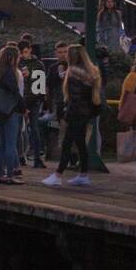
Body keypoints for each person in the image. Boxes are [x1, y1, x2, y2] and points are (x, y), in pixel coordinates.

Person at [43, 44, 102, 187]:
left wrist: (66, 114)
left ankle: (58, 175)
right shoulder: (92, 71)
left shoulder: (73, 73)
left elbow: (74, 97)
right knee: (81, 143)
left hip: (75, 112)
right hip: (87, 112)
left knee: (67, 143)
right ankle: (83, 174)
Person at [0, 46, 25, 184]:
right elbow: (15, 92)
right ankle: (10, 175)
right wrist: (24, 108)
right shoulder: (9, 72)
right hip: (10, 111)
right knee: (10, 143)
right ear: (14, 58)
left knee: (1, 144)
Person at [18, 41, 47, 168]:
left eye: (25, 51)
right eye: (21, 53)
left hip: (33, 99)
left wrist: (39, 99)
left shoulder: (38, 64)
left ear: (30, 50)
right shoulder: (18, 63)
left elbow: (40, 85)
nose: (23, 55)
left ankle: (36, 157)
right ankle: (21, 156)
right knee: (20, 130)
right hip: (21, 99)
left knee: (34, 129)